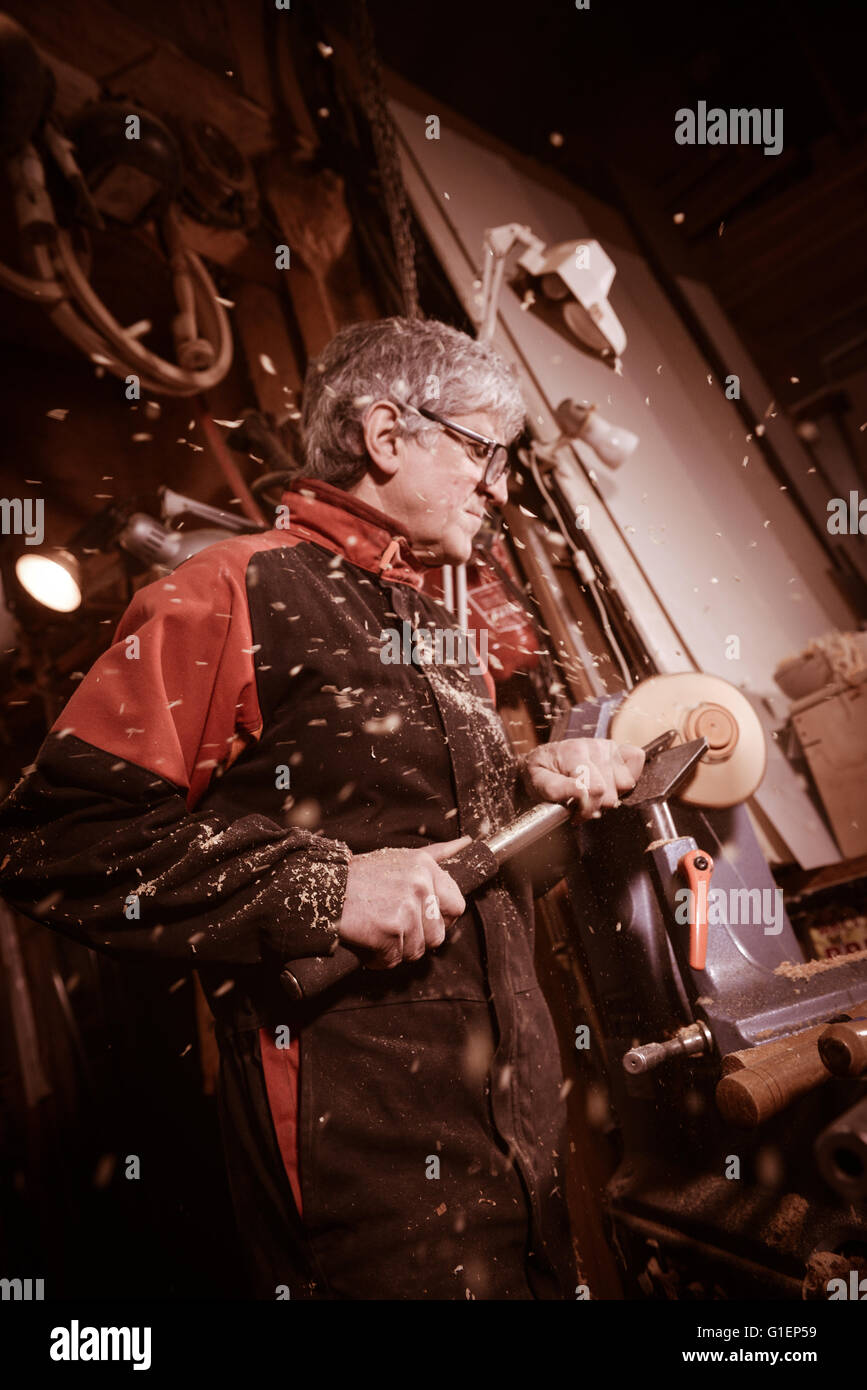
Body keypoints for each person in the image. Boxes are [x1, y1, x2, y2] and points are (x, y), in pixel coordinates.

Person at [0, 316, 644, 1300]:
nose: (500, 486)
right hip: (366, 1174)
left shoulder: (440, 623)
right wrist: (319, 889)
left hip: (513, 1149)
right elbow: (57, 838)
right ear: (388, 435)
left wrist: (528, 777)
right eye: (482, 453)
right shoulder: (230, 588)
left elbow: (408, 830)